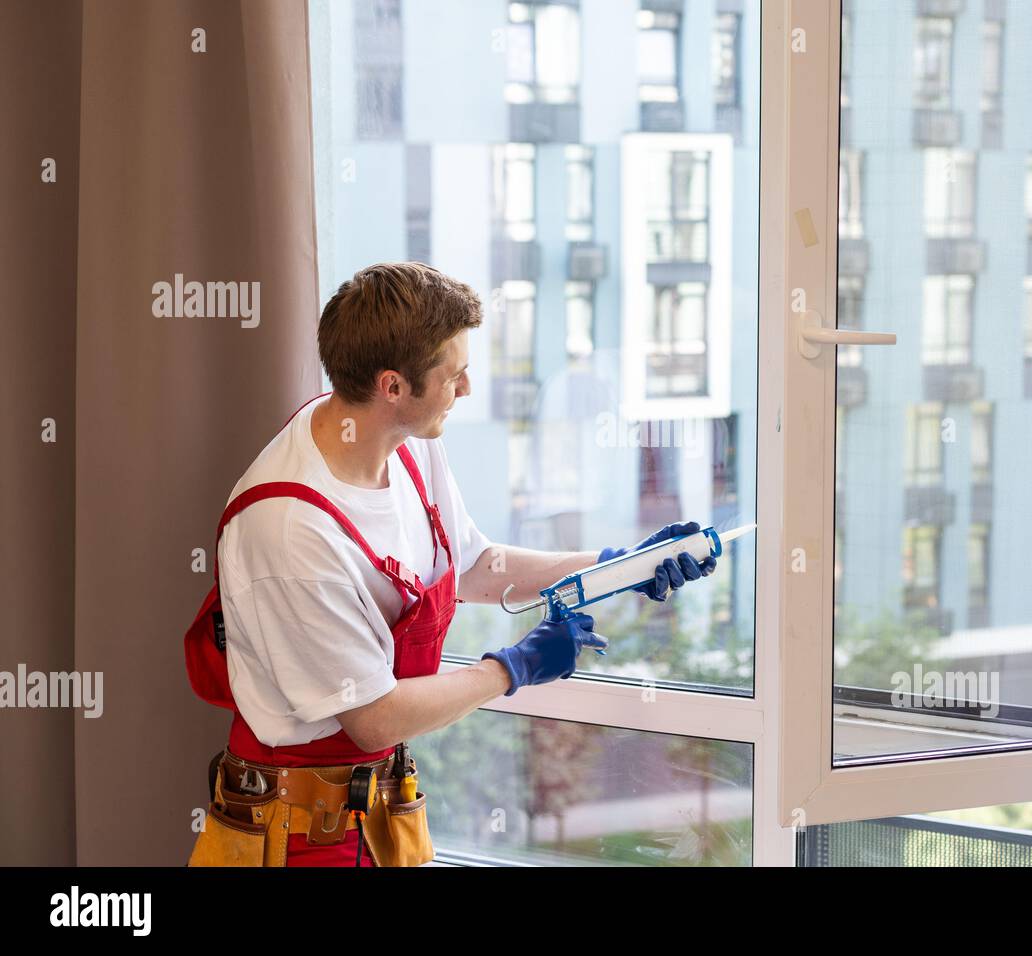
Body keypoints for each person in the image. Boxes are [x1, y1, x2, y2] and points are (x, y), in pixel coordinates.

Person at [184, 262, 715, 866]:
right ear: (392, 386)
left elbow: (476, 566)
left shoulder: (406, 447)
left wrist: (621, 567)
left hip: (379, 806)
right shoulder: (289, 530)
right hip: (295, 833)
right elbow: (375, 718)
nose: (466, 390)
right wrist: (512, 667)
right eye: (454, 375)